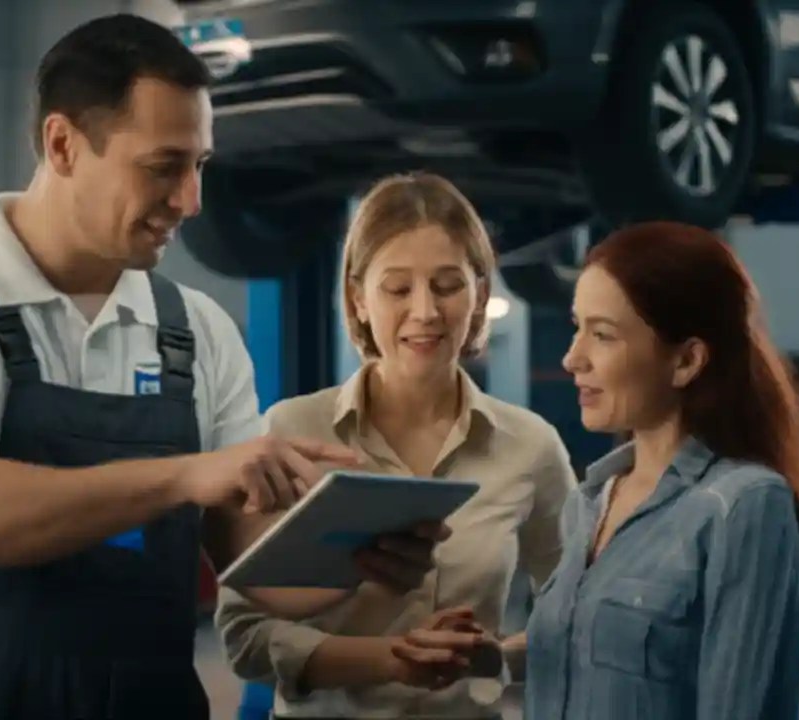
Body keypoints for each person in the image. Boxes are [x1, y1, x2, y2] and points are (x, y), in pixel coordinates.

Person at [0, 14, 447, 720]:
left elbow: (251, 561)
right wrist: (184, 474)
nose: (191, 201)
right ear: (63, 145)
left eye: (200, 166)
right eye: (164, 166)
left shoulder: (195, 330)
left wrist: (355, 556)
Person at [215, 172, 578, 719]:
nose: (426, 311)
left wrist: (493, 659)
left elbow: (578, 618)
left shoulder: (530, 446)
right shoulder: (293, 430)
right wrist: (388, 661)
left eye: (448, 285)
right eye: (398, 288)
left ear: (480, 293)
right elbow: (243, 634)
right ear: (358, 298)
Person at [510, 221, 799, 719]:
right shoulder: (591, 501)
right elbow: (595, 648)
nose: (572, 358)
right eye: (577, 328)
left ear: (686, 360)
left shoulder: (743, 508)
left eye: (602, 335)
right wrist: (490, 657)